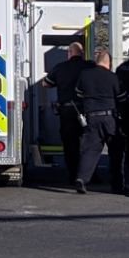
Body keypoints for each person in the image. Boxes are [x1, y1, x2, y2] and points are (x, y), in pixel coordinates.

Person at [74, 49, 127, 194]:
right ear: (108, 62)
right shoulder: (113, 77)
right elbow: (122, 97)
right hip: (110, 118)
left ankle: (82, 179)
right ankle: (118, 185)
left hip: (91, 117)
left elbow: (78, 93)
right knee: (116, 152)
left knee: (90, 150)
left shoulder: (85, 75)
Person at [42, 42, 88, 181]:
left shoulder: (61, 67)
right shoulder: (89, 66)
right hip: (86, 109)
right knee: (88, 144)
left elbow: (46, 83)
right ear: (82, 53)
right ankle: (88, 173)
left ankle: (73, 174)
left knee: (70, 144)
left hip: (67, 110)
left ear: (69, 53)